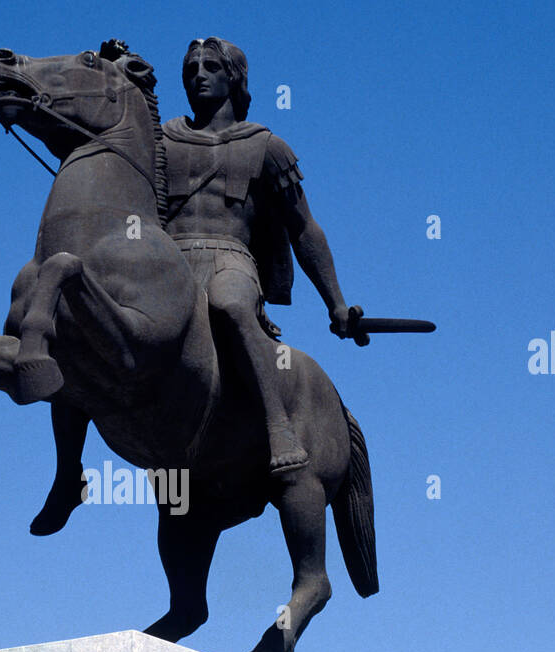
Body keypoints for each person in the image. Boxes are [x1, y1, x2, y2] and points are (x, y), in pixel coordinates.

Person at [29, 36, 361, 536]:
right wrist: (115, 70)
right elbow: (106, 128)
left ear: (235, 78)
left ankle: (279, 428)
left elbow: (304, 229)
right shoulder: (161, 140)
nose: (198, 75)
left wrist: (335, 304)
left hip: (229, 260)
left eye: (210, 67)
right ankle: (67, 473)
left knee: (228, 305)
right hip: (163, 263)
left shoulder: (266, 148)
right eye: (190, 68)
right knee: (76, 324)